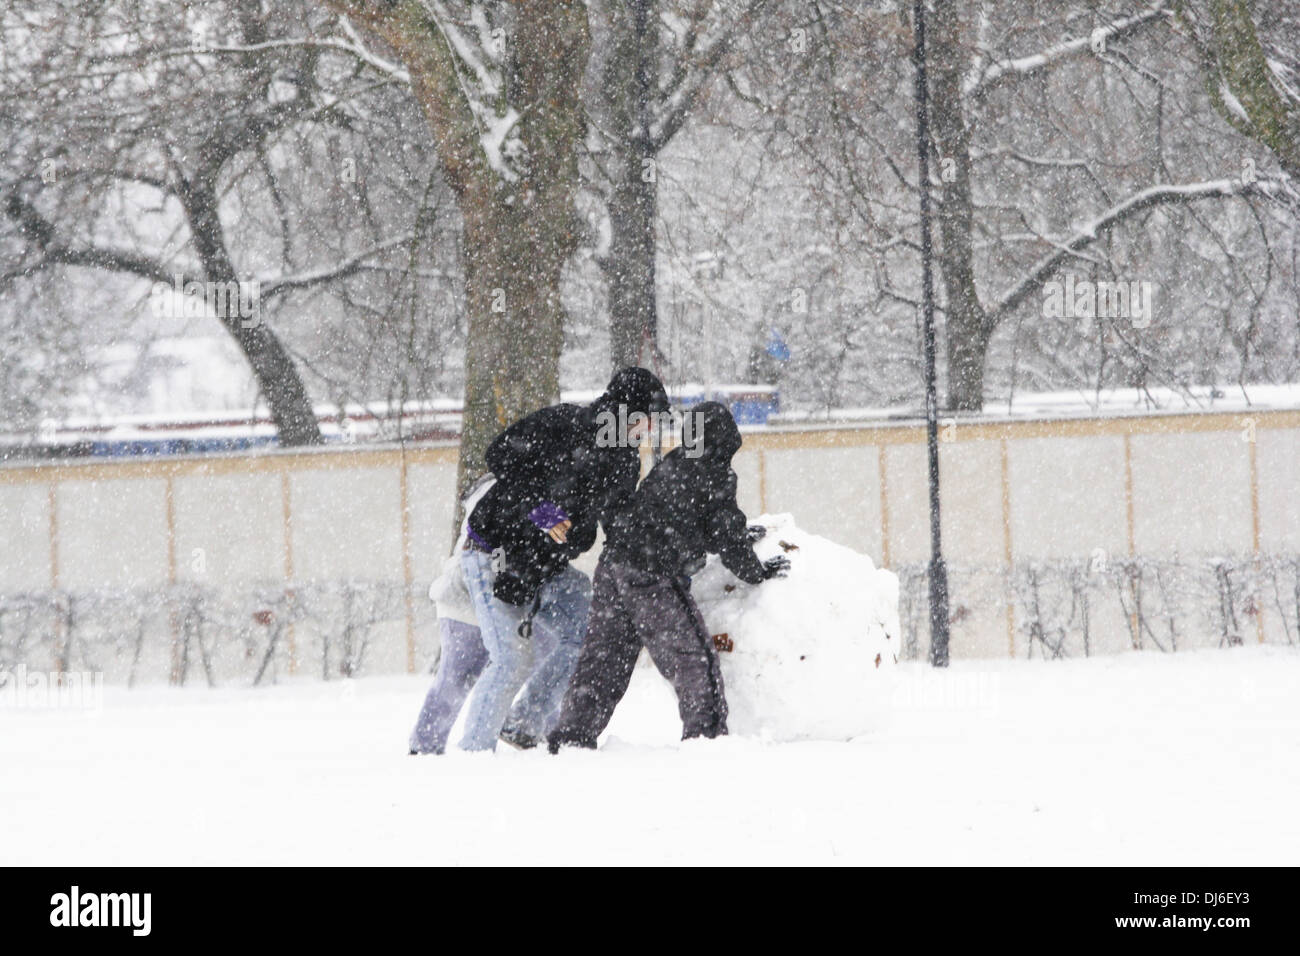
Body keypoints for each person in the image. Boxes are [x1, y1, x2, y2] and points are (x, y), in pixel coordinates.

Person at [547, 401, 789, 752]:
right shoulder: (714, 471)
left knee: (604, 660)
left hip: (613, 567)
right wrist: (757, 571)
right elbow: (721, 529)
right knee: (693, 656)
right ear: (726, 437)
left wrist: (732, 535)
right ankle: (705, 738)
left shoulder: (674, 463)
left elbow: (683, 520)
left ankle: (571, 737)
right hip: (651, 573)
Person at [452, 367, 669, 752]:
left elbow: (618, 521)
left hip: (544, 567)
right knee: (509, 660)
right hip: (493, 554)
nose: (650, 431)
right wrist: (539, 508)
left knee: (589, 632)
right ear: (627, 413)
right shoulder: (562, 424)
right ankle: (473, 754)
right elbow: (499, 454)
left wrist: (662, 539)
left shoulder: (623, 463)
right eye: (648, 421)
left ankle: (523, 724)